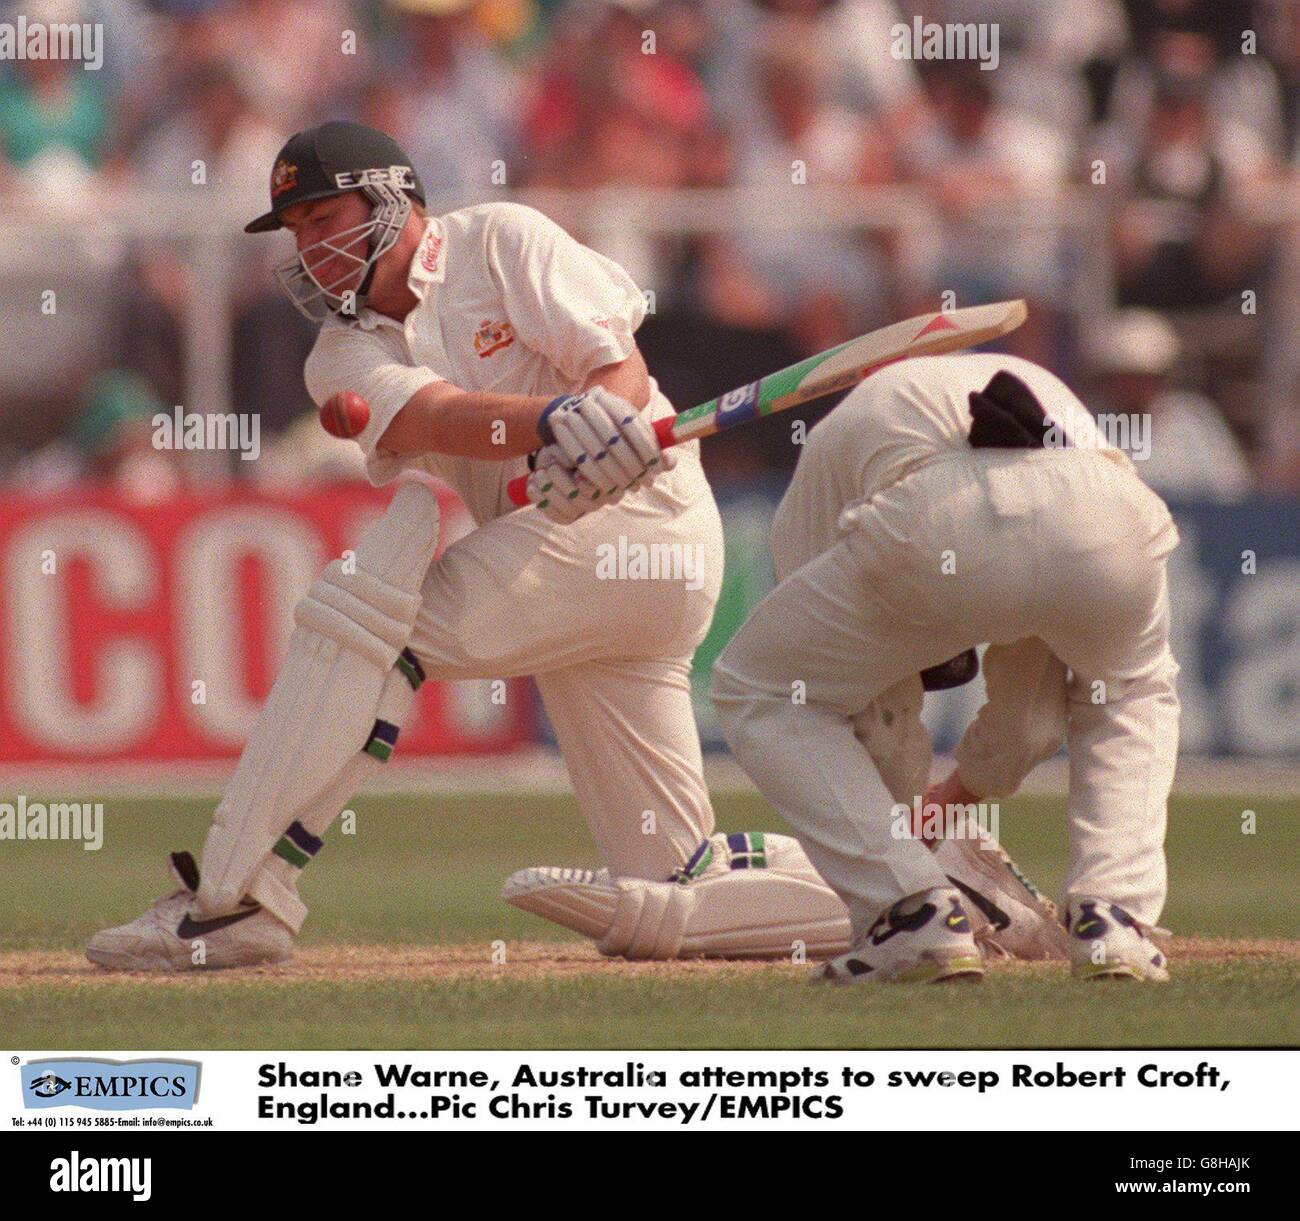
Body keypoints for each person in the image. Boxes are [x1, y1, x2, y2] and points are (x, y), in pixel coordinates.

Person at [85, 122, 1061, 970]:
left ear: (389, 201)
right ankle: (928, 870)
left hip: (645, 527)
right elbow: (446, 417)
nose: (310, 249)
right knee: (673, 882)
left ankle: (239, 899)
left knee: (376, 628)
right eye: (295, 232)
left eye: (323, 219)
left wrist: (606, 423)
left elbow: (620, 369)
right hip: (562, 561)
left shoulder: (501, 240)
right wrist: (553, 423)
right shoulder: (339, 354)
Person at [712, 353, 1181, 983]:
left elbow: (862, 711)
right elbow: (1029, 727)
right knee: (1128, 691)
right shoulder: (1019, 390)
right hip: (1108, 512)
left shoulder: (823, 464)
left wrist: (908, 844)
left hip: (939, 515)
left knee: (762, 688)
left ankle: (910, 916)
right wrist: (941, 808)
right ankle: (1113, 922)